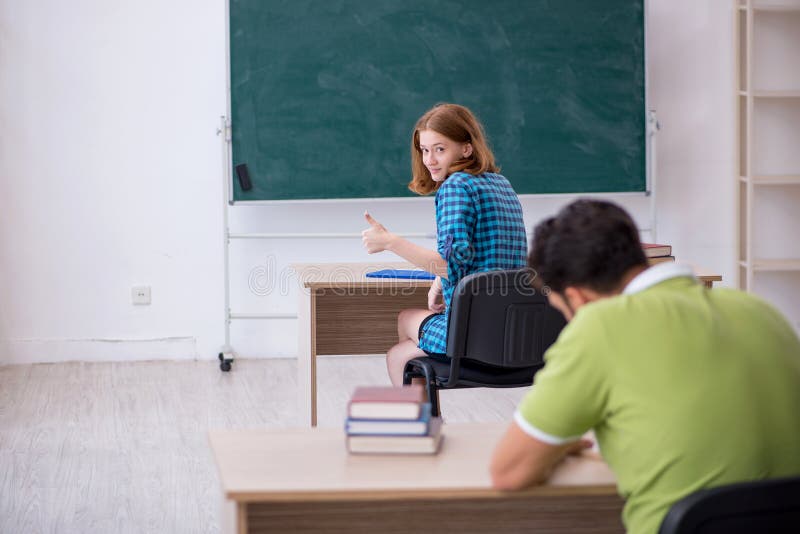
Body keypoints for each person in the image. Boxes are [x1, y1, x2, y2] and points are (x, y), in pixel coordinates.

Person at [489, 199, 800, 533]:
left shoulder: (600, 326)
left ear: (576, 298)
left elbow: (510, 472)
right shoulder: (757, 309)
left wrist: (561, 444)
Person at [362, 103, 527, 385]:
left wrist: (390, 241)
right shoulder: (501, 184)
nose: (429, 160)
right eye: (424, 150)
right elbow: (487, 259)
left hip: (472, 333)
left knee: (404, 321)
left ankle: (423, 421)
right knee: (400, 354)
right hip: (515, 331)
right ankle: (424, 410)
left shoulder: (456, 187)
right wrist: (440, 282)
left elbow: (452, 265)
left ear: (466, 148)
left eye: (440, 149)